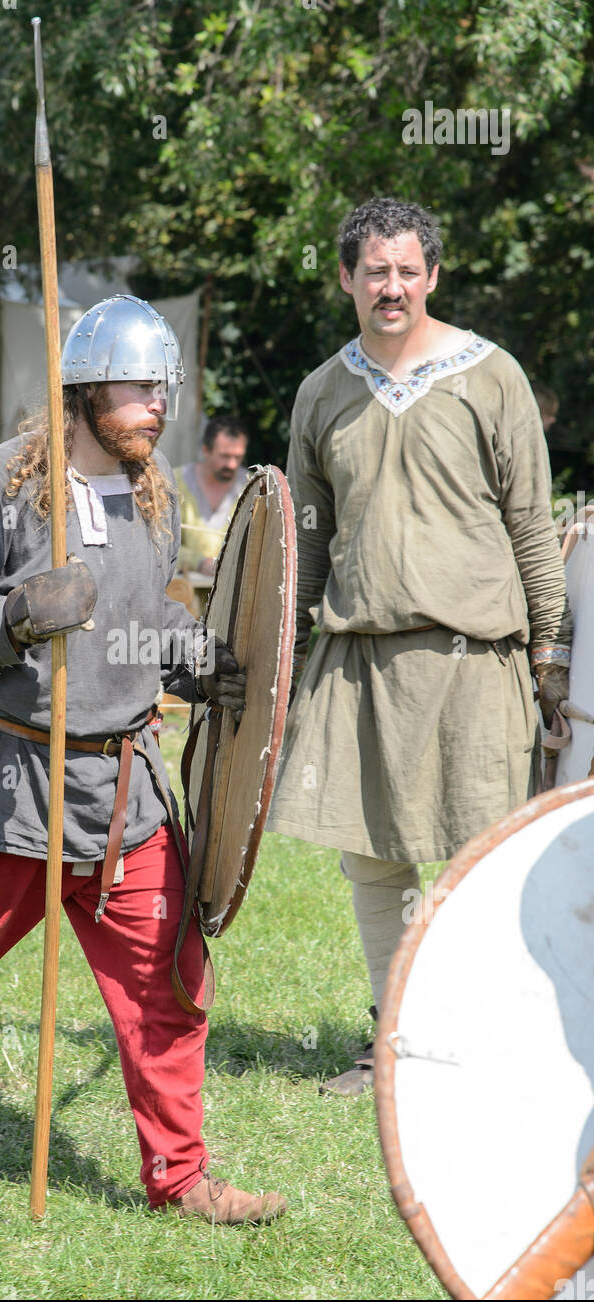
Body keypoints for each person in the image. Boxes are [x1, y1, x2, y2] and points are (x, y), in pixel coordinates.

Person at [0, 294, 286, 1224]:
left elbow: (144, 620)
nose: (157, 405)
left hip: (126, 797)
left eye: (163, 387)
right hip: (14, 790)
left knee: (166, 990)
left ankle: (180, 1180)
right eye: (137, 387)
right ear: (82, 390)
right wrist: (18, 615)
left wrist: (193, 659)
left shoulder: (151, 494)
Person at [267, 198, 572, 1095]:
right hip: (358, 657)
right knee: (371, 858)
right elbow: (306, 544)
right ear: (345, 279)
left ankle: (489, 1041)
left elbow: (530, 526)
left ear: (431, 276)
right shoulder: (321, 392)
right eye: (374, 271)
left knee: (485, 857)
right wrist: (283, 662)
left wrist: (550, 658)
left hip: (476, 658)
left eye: (406, 271)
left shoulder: (492, 376)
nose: (391, 287)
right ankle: (397, 1037)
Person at [175, 417, 249, 580]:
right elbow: (160, 543)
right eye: (224, 456)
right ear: (205, 450)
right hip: (184, 591)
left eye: (238, 457)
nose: (232, 464)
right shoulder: (175, 482)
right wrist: (199, 562)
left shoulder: (252, 488)